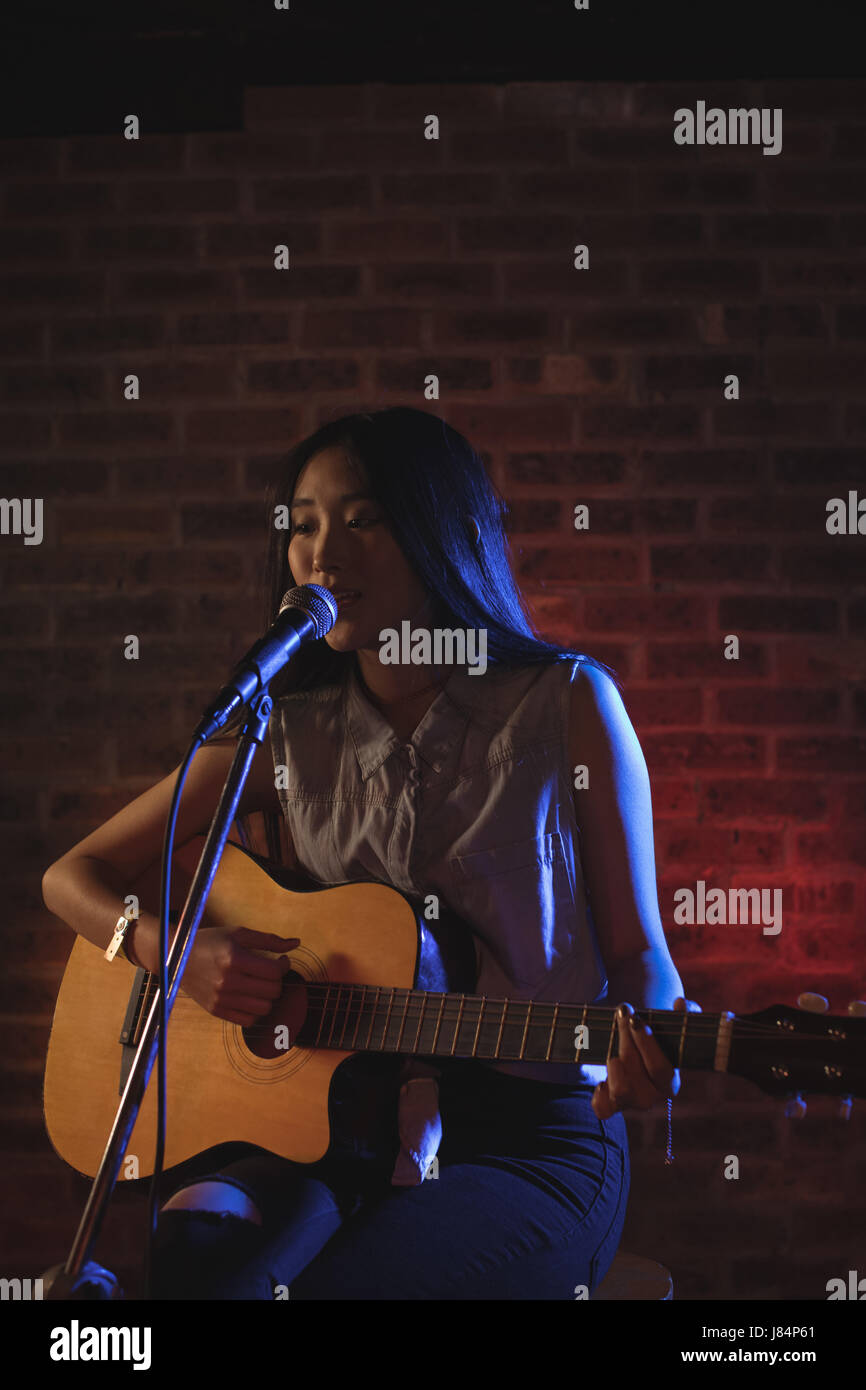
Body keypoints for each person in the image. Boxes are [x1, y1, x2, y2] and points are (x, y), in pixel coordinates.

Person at [42, 406, 698, 1300]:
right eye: (304, 526)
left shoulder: (567, 706)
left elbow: (640, 956)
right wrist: (178, 952)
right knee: (196, 1255)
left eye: (362, 520)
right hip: (336, 1127)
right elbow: (71, 879)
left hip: (533, 1141)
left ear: (437, 534)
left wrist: (651, 1041)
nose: (322, 553)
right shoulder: (281, 731)